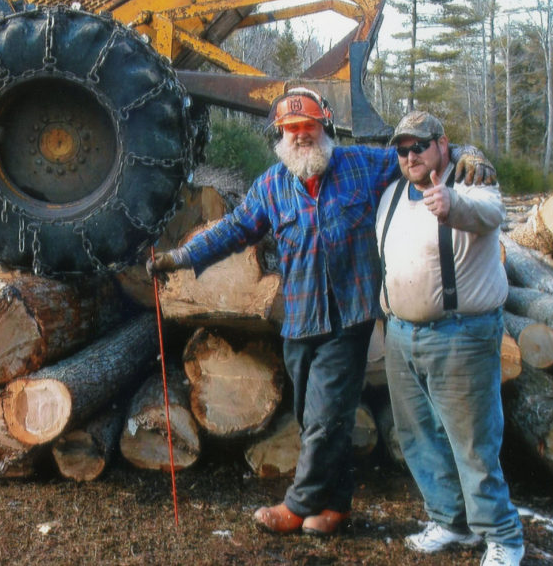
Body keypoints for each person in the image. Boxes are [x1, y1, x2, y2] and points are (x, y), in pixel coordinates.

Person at [149, 88, 494, 537]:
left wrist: (469, 152)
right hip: (299, 319)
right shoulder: (272, 186)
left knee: (327, 416)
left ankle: (300, 502)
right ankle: (336, 506)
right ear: (280, 136)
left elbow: (419, 155)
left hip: (348, 318)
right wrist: (181, 258)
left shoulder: (361, 166)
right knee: (316, 419)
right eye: (291, 130)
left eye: (308, 127)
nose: (300, 137)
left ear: (324, 127)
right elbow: (233, 230)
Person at [377, 110, 524, 566]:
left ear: (443, 143)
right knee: (418, 436)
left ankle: (503, 536)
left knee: (473, 442)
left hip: (460, 336)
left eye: (419, 145)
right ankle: (450, 521)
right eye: (402, 150)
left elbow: (489, 212)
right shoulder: (391, 194)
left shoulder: (471, 182)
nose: (410, 156)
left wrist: (452, 206)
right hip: (400, 335)